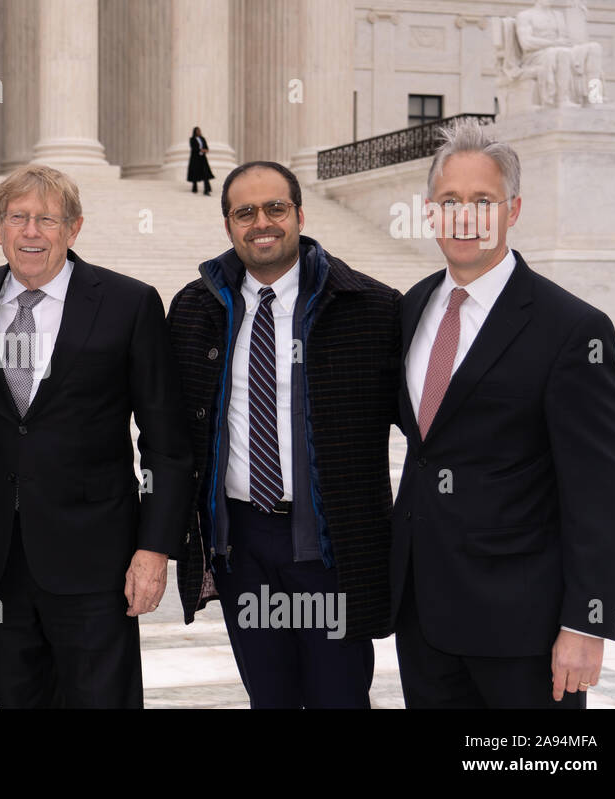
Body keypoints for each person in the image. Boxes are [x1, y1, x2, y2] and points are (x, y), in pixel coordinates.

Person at [391, 117, 615, 708]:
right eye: (450, 200)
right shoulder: (412, 308)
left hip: (524, 627)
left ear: (513, 210)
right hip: (422, 614)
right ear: (430, 211)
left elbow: (599, 491)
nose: (465, 216)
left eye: (483, 201)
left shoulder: (573, 330)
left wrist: (586, 624)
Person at [0, 164, 192, 708]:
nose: (31, 232)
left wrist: (153, 550)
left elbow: (166, 442)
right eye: (18, 218)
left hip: (96, 561)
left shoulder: (128, 304)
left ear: (74, 228)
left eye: (47, 219)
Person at [167, 161, 402, 708]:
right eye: (244, 212)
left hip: (329, 547)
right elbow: (172, 430)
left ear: (299, 214)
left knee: (338, 697)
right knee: (268, 697)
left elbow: (425, 427)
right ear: (228, 226)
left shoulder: (369, 306)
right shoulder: (194, 308)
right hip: (241, 546)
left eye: (275, 207)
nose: (261, 222)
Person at [188, 126, 215, 196]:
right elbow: (193, 148)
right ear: (195, 132)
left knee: (205, 173)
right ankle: (194, 187)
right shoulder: (192, 139)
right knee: (195, 172)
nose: (199, 132)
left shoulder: (202, 139)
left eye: (199, 131)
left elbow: (206, 147)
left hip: (202, 158)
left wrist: (205, 150)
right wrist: (200, 150)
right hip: (195, 159)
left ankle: (207, 189)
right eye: (198, 131)